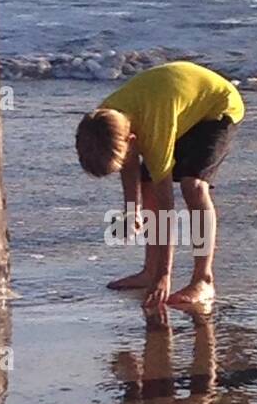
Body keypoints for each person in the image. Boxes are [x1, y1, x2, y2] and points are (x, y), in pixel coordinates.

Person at [75, 60, 245, 310]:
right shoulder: (103, 120)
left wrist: (164, 278)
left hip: (219, 106)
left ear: (132, 139)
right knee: (147, 182)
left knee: (193, 186)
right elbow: (129, 162)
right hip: (178, 103)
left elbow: (167, 207)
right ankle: (149, 269)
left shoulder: (154, 131)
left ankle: (203, 279)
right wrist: (131, 209)